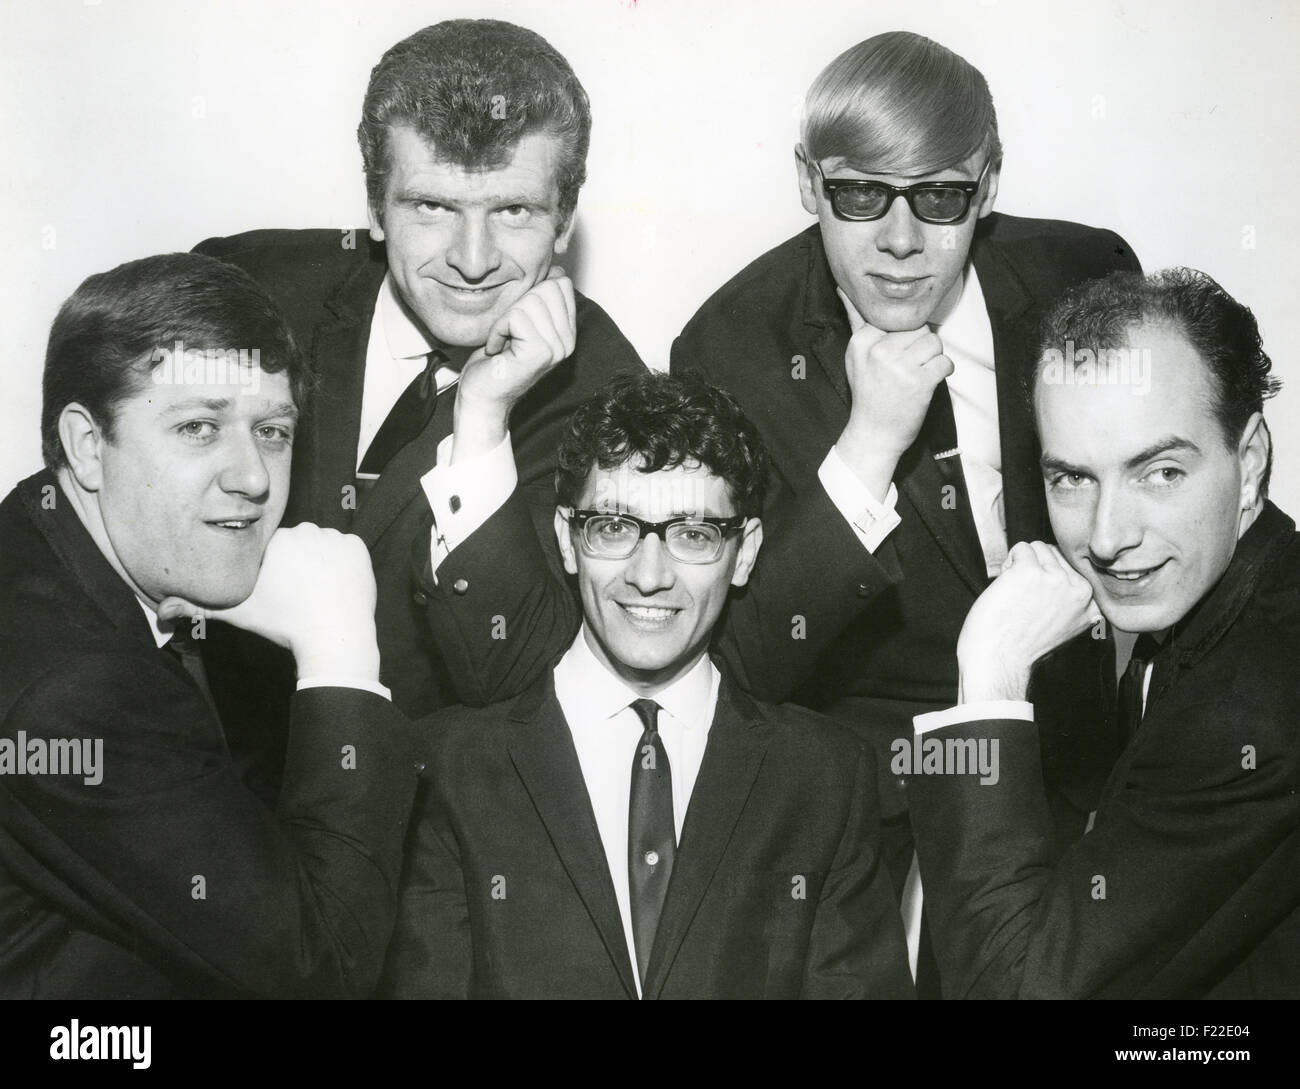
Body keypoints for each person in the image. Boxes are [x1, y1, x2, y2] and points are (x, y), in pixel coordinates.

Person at [404, 30, 1142, 987]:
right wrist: (867, 450)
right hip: (877, 817)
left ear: (990, 185)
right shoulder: (735, 343)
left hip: (1098, 769)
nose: (903, 239)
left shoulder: (1081, 276)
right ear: (807, 183)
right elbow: (720, 645)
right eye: (860, 195)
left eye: (942, 197)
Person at [378, 373, 913, 999]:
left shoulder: (824, 776)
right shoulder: (446, 769)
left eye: (693, 535)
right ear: (567, 541)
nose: (649, 575)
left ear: (744, 554)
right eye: (614, 527)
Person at [193, 19, 645, 720]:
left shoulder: (609, 391)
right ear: (376, 204)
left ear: (563, 223)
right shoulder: (247, 288)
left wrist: (484, 419)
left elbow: (526, 683)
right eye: (432, 206)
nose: (472, 259)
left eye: (515, 210)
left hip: (416, 805)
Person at [0, 253, 421, 999]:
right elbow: (324, 967)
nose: (254, 476)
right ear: (88, 445)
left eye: (273, 430)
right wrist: (340, 652)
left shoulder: (45, 542)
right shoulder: (80, 692)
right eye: (199, 427)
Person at [908, 268, 1300, 997]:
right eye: (1072, 479)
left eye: (1160, 473)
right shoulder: (1206, 610)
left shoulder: (1245, 712)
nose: (1109, 537)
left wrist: (988, 677)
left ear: (1248, 463)